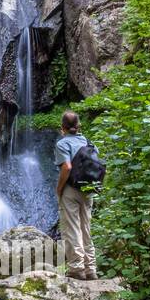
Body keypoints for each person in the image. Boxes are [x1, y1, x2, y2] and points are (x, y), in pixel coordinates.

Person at [54, 109, 97, 281]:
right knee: (85, 228)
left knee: (72, 228)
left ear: (62, 127)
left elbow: (67, 167)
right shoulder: (89, 143)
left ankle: (76, 268)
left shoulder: (62, 144)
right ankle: (91, 268)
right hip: (87, 189)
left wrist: (59, 188)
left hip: (71, 189)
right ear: (79, 126)